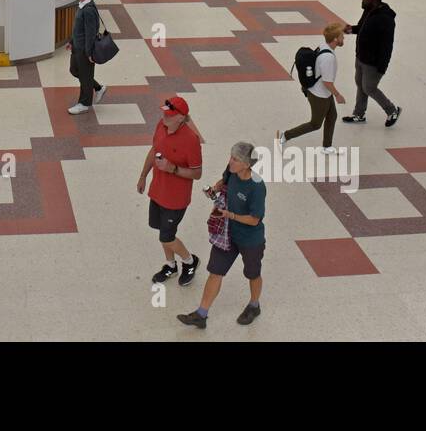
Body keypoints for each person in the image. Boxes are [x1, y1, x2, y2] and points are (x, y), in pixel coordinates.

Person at [176, 140, 266, 329]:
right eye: (231, 157)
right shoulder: (231, 171)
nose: (230, 161)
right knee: (215, 272)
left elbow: (254, 219)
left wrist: (231, 214)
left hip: (250, 239)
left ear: (247, 164)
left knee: (253, 274)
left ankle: (254, 305)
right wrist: (215, 189)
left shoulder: (257, 186)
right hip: (227, 233)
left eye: (235, 159)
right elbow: (223, 180)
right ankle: (201, 314)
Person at [139, 96, 202, 287]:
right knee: (161, 231)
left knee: (167, 236)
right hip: (157, 191)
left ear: (181, 117)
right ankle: (170, 265)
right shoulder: (161, 125)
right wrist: (143, 176)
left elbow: (197, 173)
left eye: (170, 114)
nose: (165, 116)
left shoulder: (191, 140)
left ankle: (190, 261)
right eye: (165, 112)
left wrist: (172, 168)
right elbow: (154, 150)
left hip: (176, 199)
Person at [277, 22, 346, 153]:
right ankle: (285, 136)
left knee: (332, 116)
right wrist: (338, 95)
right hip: (319, 95)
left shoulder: (323, 47)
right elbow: (327, 82)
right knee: (315, 124)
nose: (344, 38)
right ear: (335, 39)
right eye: (342, 36)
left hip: (323, 93)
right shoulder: (328, 58)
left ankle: (327, 146)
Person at [341, 0, 401, 126]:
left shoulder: (385, 19)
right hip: (361, 57)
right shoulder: (368, 10)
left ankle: (392, 110)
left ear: (374, 1)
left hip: (373, 63)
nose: (362, 0)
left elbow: (387, 45)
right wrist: (352, 30)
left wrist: (382, 66)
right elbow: (362, 27)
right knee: (359, 83)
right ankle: (359, 114)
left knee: (369, 87)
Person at [66, 0, 106, 115]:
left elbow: (90, 33)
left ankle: (84, 103)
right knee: (75, 70)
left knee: (85, 75)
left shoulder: (89, 10)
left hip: (84, 50)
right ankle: (98, 88)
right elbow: (78, 29)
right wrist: (72, 41)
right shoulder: (82, 6)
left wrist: (89, 53)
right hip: (77, 47)